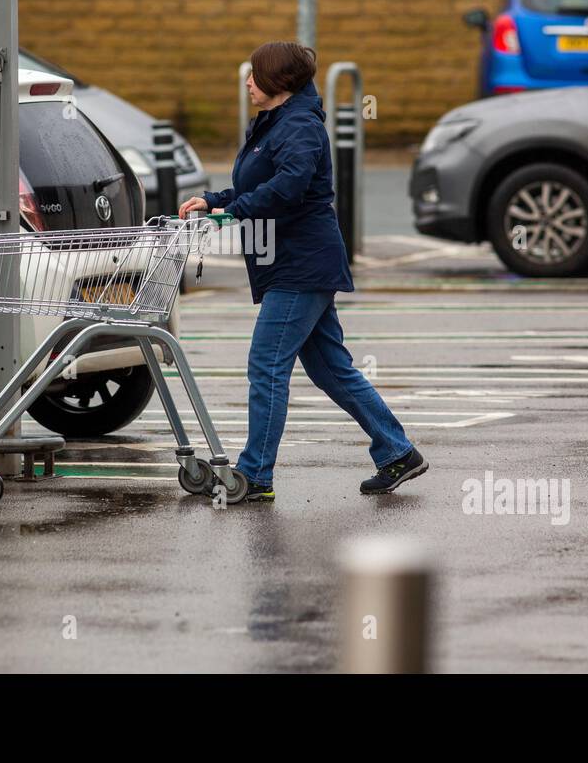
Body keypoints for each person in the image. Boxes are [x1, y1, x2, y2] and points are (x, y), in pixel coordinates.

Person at [178, 41, 427, 501]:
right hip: (291, 263)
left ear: (279, 82)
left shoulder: (299, 126)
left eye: (255, 75)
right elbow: (262, 181)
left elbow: (289, 187)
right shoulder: (276, 123)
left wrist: (234, 213)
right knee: (332, 369)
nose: (248, 82)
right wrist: (216, 200)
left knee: (267, 364)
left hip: (301, 266)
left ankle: (255, 476)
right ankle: (397, 451)